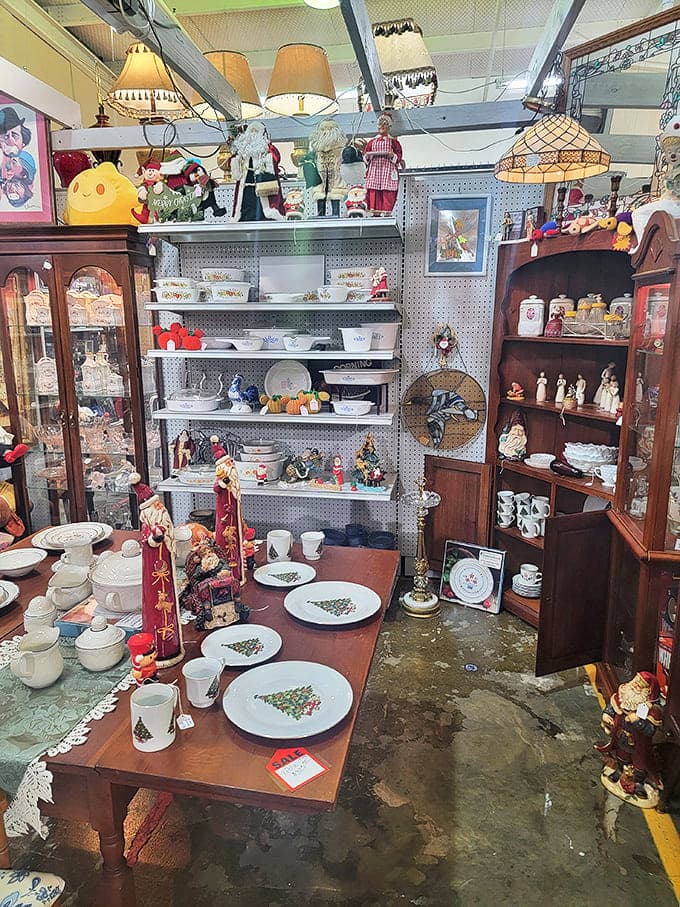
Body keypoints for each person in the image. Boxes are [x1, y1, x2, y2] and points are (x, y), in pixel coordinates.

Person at [595, 671, 663, 806]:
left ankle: (638, 783)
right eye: (635, 683)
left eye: (640, 686)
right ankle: (619, 772)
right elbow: (612, 706)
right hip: (622, 736)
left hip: (639, 743)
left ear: (647, 691)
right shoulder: (624, 695)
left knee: (640, 763)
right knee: (622, 755)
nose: (635, 686)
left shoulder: (651, 710)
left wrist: (637, 721)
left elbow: (650, 731)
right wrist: (607, 715)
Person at [230, 121, 285, 222]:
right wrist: (236, 159)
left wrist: (268, 148)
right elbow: (236, 169)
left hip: (263, 187)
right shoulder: (243, 150)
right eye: (252, 131)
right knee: (244, 210)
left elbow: (275, 159)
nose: (254, 134)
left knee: (264, 211)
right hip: (246, 187)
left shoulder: (266, 149)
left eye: (256, 131)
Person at [364, 112, 404, 216]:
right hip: (375, 168)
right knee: (374, 188)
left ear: (389, 126)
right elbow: (365, 154)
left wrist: (392, 156)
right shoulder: (372, 142)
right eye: (380, 123)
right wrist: (367, 157)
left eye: (385, 124)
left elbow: (399, 156)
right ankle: (374, 210)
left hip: (387, 168)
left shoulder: (394, 142)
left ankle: (386, 211)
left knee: (387, 189)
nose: (382, 126)